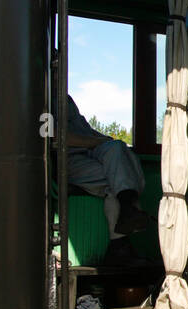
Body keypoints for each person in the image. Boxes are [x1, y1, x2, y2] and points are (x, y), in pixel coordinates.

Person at [65, 95, 153, 235]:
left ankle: (126, 214)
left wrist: (106, 140)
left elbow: (85, 129)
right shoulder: (43, 99)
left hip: (88, 151)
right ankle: (120, 246)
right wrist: (97, 142)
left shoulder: (66, 99)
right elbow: (55, 136)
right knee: (119, 180)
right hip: (67, 157)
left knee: (117, 146)